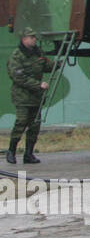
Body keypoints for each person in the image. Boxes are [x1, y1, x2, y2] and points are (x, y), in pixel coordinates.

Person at [7, 27, 53, 165]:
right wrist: (38, 85)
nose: (34, 39)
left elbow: (46, 65)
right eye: (31, 37)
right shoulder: (17, 56)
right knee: (21, 123)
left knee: (35, 126)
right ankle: (11, 151)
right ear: (24, 39)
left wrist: (58, 63)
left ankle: (29, 154)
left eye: (35, 37)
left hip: (36, 98)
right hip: (22, 97)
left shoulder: (37, 53)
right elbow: (18, 77)